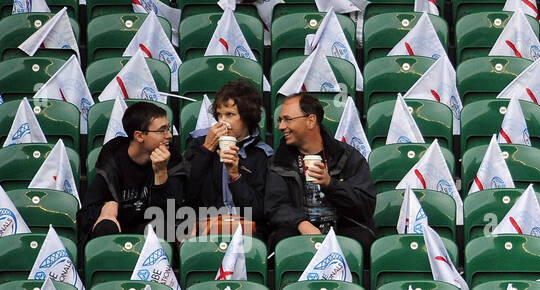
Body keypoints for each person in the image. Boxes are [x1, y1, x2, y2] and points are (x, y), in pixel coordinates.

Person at [263, 92, 376, 251]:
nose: (281, 126)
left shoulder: (347, 156)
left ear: (310, 121)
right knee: (282, 241)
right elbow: (275, 207)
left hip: (343, 228)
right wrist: (302, 224)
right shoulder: (279, 162)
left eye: (288, 119)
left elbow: (365, 205)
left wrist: (331, 184)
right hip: (298, 229)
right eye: (280, 120)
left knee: (360, 241)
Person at [176, 79, 272, 235]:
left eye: (230, 115)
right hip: (203, 224)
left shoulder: (262, 154)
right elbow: (186, 193)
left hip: (245, 229)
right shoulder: (200, 144)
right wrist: (206, 149)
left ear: (247, 117)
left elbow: (258, 212)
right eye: (219, 115)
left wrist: (235, 176)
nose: (223, 122)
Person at [79, 101, 180, 239]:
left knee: (160, 227)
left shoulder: (172, 159)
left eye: (168, 129)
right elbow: (84, 215)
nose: (169, 135)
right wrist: (105, 210)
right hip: (117, 238)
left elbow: (174, 214)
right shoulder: (113, 162)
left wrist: (161, 173)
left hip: (152, 239)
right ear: (139, 136)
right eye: (162, 130)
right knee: (105, 224)